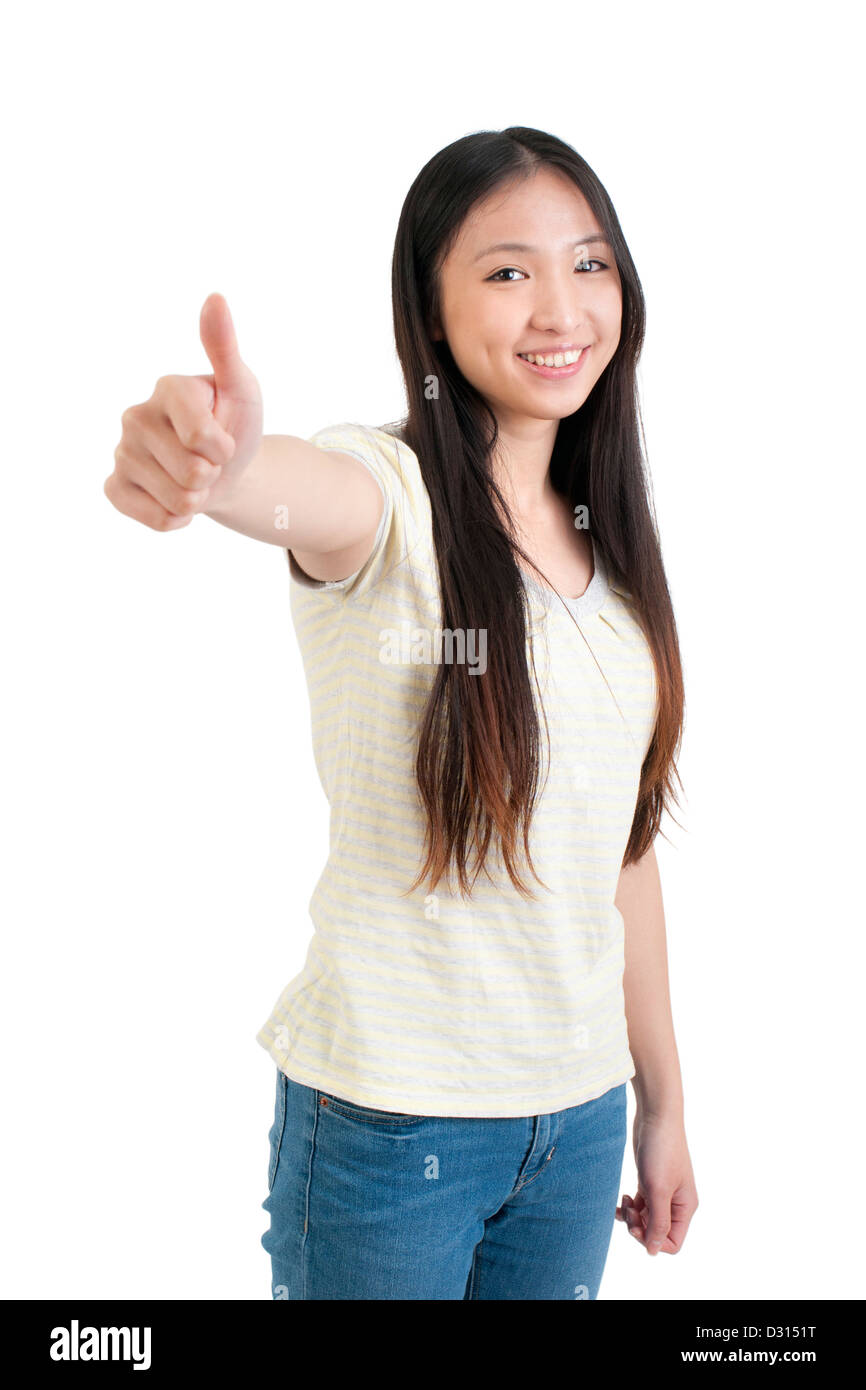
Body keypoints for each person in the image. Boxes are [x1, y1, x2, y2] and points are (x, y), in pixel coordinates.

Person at [105, 125, 698, 1300]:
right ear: (430, 309)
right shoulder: (388, 496)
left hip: (577, 1122)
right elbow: (299, 496)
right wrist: (218, 468)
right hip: (392, 1127)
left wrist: (662, 1102)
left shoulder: (613, 554)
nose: (559, 308)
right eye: (507, 270)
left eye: (587, 263)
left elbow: (619, 852)